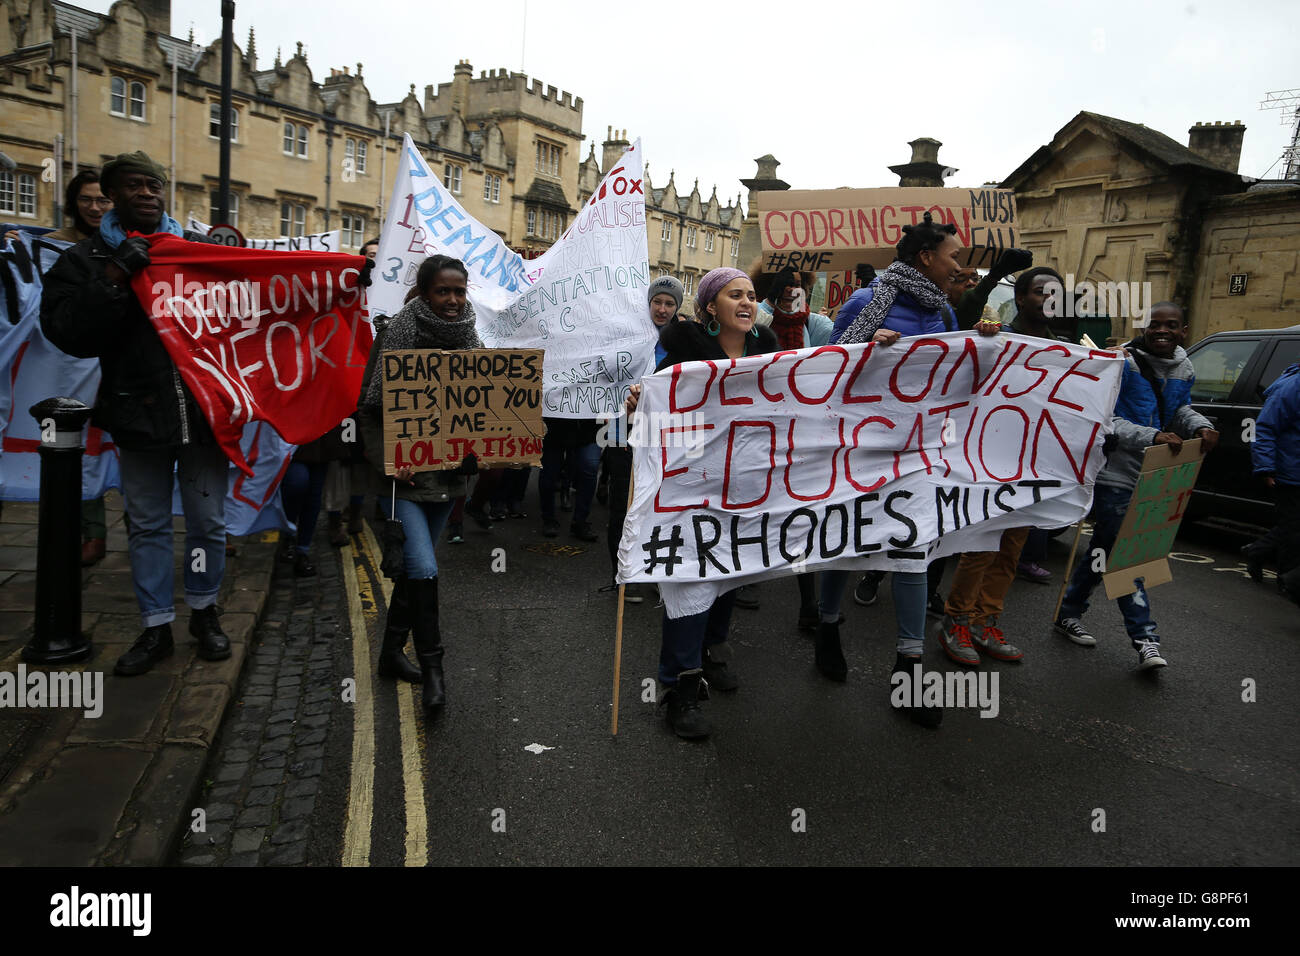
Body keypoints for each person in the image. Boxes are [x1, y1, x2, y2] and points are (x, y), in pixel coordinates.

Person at [40, 151, 229, 675]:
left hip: (202, 410)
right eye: (133, 186)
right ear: (112, 196)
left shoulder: (191, 251)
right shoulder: (83, 261)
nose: (146, 193)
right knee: (146, 524)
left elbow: (263, 301)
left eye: (154, 185)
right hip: (136, 412)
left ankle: (204, 611)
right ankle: (154, 626)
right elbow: (69, 332)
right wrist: (115, 276)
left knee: (207, 523)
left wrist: (343, 277)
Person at [827, 213, 1002, 723]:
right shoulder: (868, 302)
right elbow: (822, 370)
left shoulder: (943, 311)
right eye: (953, 257)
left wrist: (981, 341)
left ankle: (909, 667)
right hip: (861, 449)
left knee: (912, 551)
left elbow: (953, 373)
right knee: (847, 544)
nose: (959, 266)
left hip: (919, 452)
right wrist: (863, 349)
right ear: (926, 258)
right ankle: (828, 626)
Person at [624, 267, 779, 739]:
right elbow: (657, 406)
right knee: (690, 576)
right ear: (712, 306)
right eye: (736, 295)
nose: (747, 302)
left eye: (751, 295)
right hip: (691, 483)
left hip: (746, 481)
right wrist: (639, 403)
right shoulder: (684, 349)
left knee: (730, 566)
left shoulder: (768, 349)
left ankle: (714, 649)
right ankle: (679, 686)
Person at [1054, 302, 1219, 668]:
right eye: (1154, 325)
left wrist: (1200, 425)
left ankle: (1068, 612)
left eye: (1170, 325)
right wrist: (1153, 436)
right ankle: (1146, 639)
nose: (1162, 331)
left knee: (1104, 549)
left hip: (1159, 474)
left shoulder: (1185, 367)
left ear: (1184, 331)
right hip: (1116, 473)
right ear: (1144, 328)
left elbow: (1178, 409)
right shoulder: (1121, 363)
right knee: (1129, 556)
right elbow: (1104, 419)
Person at [359, 256, 482, 710]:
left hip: (446, 482)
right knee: (425, 570)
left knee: (415, 573)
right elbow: (368, 413)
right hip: (405, 483)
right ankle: (435, 672)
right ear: (425, 293)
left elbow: (483, 415)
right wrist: (391, 461)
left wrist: (483, 452)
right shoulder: (396, 334)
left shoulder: (471, 340)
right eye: (443, 292)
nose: (453, 301)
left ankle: (391, 654)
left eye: (459, 292)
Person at [939, 266, 1069, 667]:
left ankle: (985, 621)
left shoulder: (1065, 349)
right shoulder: (996, 338)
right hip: (991, 461)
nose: (1048, 300)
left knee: (1012, 549)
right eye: (1039, 292)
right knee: (981, 546)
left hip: (1033, 463)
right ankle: (956, 622)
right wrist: (982, 342)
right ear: (1021, 298)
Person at [32, 170, 116, 566]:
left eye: (103, 200)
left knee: (126, 447)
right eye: (87, 200)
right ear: (73, 202)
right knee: (78, 443)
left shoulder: (126, 243)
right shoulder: (51, 247)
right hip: (72, 358)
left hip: (116, 357)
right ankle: (92, 531)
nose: (95, 207)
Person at [601, 276, 684, 604]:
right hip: (622, 431)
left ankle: (653, 569)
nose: (662, 309)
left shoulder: (682, 340)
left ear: (677, 307)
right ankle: (621, 575)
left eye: (669, 304)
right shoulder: (628, 334)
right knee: (622, 504)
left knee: (658, 505)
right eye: (657, 302)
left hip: (662, 435)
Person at [1246, 360, 1300, 605]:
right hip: (1291, 473)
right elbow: (1264, 428)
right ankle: (1287, 580)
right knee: (1293, 531)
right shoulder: (1292, 386)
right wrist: (1266, 467)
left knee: (1293, 525)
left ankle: (1256, 551)